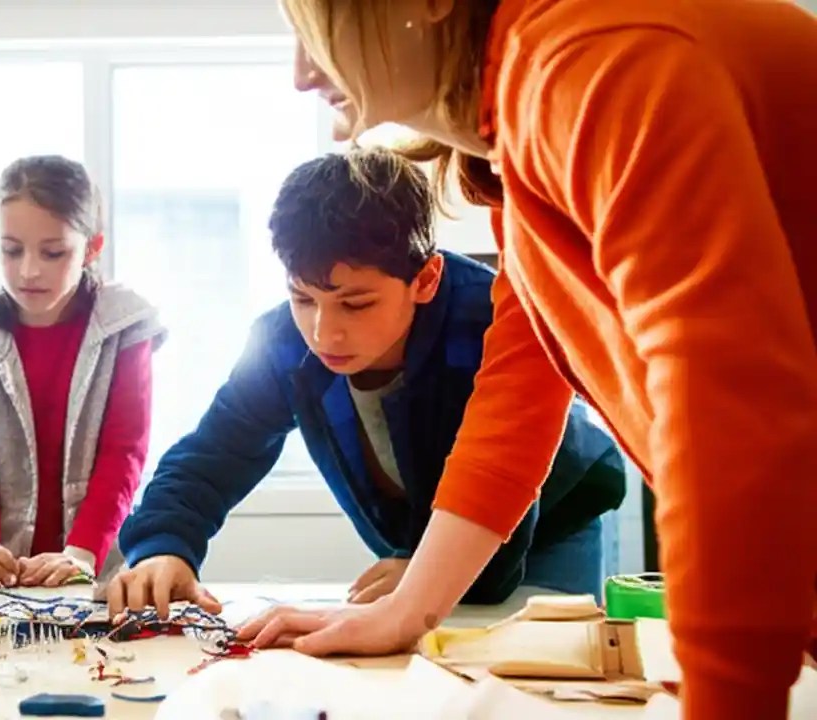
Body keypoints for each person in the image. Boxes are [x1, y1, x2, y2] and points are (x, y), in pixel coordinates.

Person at [237, 2, 817, 718]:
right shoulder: (516, 143)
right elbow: (517, 393)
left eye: (317, 21)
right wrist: (408, 610)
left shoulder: (595, 64)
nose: (301, 72)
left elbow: (729, 410)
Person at [107, 147, 625, 619]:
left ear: (426, 279)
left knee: (538, 667)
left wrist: (427, 574)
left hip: (553, 522)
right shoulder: (282, 343)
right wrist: (163, 545)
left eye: (356, 304)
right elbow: (213, 453)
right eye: (303, 298)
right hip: (416, 535)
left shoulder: (488, 321)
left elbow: (502, 480)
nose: (323, 332)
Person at [0, 155, 164, 591]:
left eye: (53, 252)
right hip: (6, 579)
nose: (29, 270)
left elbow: (124, 454)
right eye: (12, 250)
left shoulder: (126, 326)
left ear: (92, 248)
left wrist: (81, 553)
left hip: (101, 569)